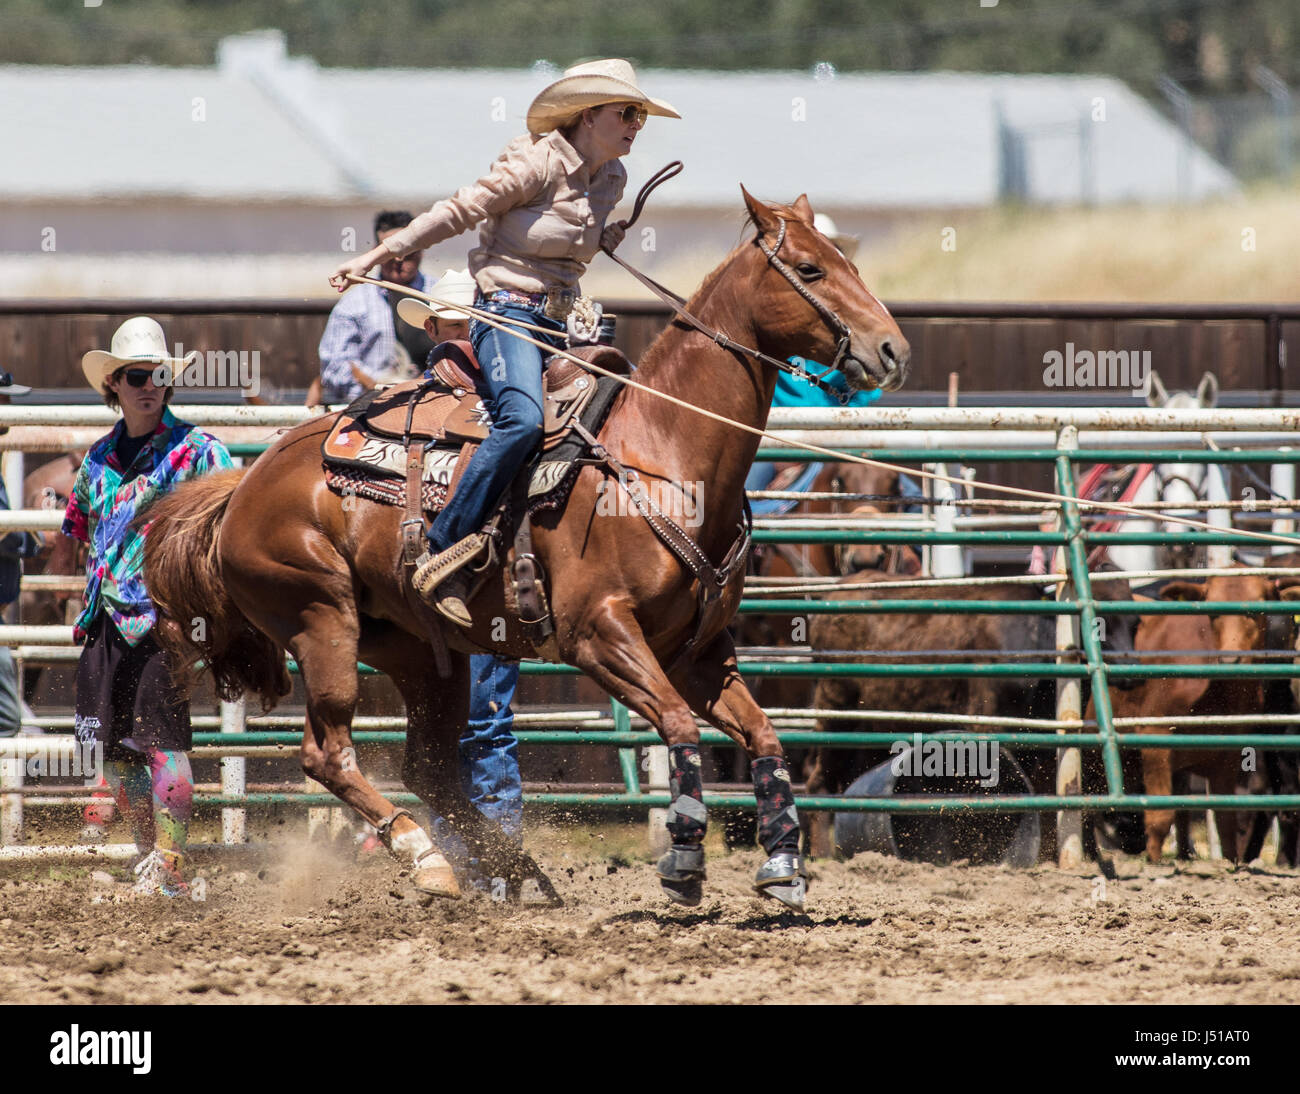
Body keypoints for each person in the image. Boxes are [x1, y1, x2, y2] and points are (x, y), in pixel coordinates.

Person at [330, 58, 680, 627]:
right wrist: (377, 255)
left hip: (562, 324)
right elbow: (459, 210)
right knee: (521, 421)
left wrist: (604, 236)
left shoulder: (611, 178)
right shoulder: (536, 159)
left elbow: (574, 241)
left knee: (626, 421)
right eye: (627, 112)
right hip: (507, 315)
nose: (638, 123)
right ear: (589, 115)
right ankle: (440, 550)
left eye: (641, 114)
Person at [63, 317, 234, 897]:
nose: (148, 384)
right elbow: (82, 531)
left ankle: (172, 867)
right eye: (136, 375)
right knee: (110, 748)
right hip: (105, 619)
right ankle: (149, 858)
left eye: (158, 374)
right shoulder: (96, 459)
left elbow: (229, 531)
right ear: (114, 383)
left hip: (163, 619)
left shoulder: (200, 452)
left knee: (163, 741)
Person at [397, 269, 524, 870]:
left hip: (481, 579)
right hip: (465, 578)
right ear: (433, 329)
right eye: (457, 324)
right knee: (469, 726)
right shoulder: (441, 411)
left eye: (478, 323)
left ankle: (484, 859)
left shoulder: (501, 403)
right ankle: (477, 857)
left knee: (482, 723)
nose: (471, 334)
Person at [318, 210, 441, 405]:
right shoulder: (353, 304)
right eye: (391, 252)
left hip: (434, 402)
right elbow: (334, 363)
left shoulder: (441, 296)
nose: (399, 260)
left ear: (421, 249)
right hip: (370, 407)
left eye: (407, 251)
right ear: (377, 251)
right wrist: (378, 389)